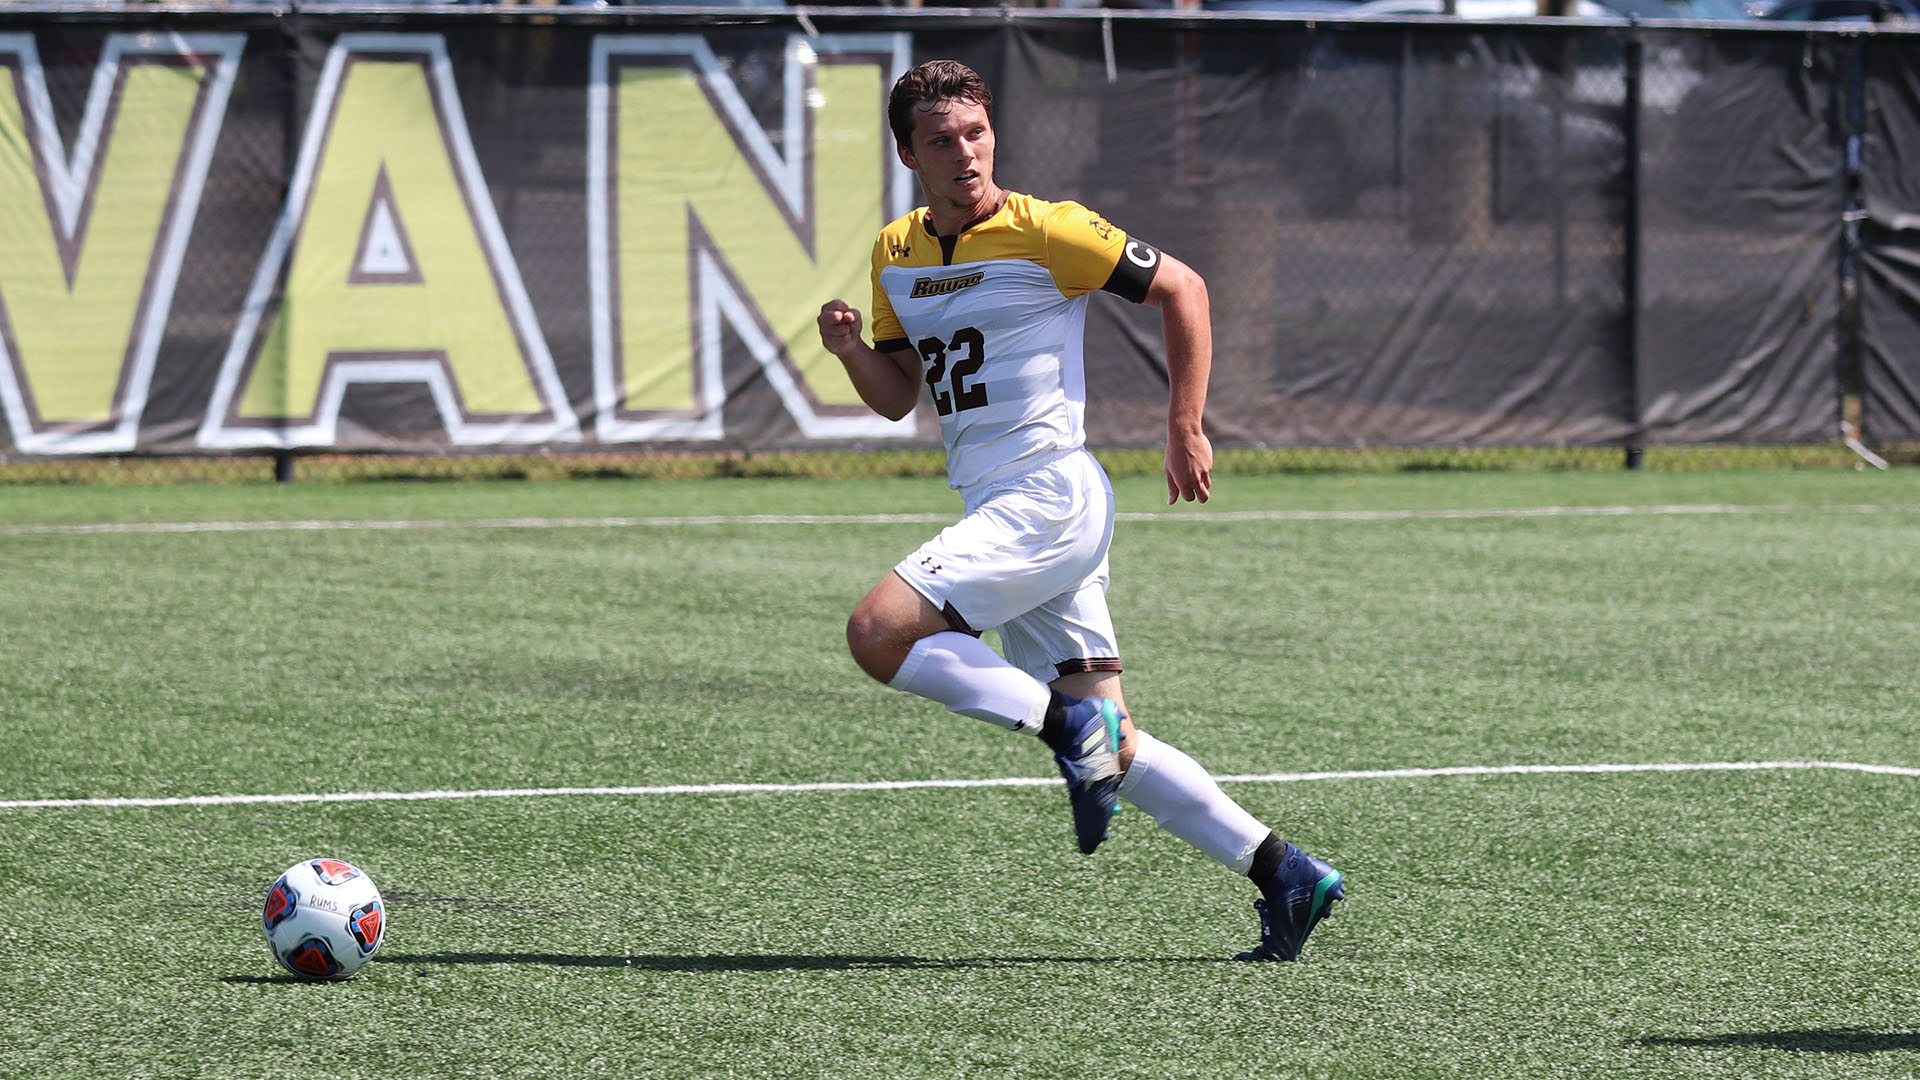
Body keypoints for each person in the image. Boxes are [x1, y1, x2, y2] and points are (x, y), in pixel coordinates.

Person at [816, 59, 1344, 962]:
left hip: (1048, 495)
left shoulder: (1049, 229)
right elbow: (897, 396)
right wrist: (848, 350)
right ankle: (1285, 873)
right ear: (908, 153)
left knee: (879, 632)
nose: (964, 153)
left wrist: (1184, 425)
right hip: (1004, 506)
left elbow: (1186, 288)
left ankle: (1070, 730)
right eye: (941, 140)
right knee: (1119, 745)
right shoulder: (894, 252)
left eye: (976, 132)